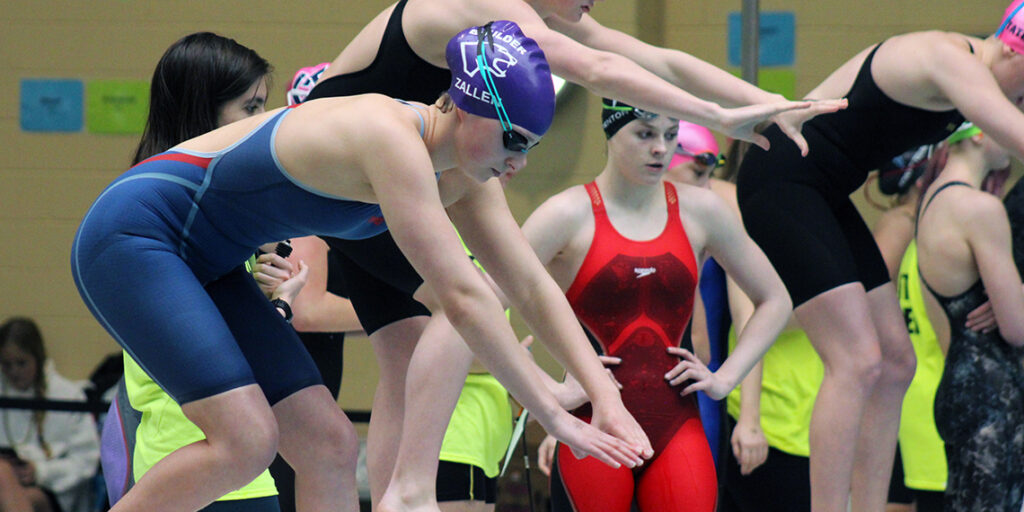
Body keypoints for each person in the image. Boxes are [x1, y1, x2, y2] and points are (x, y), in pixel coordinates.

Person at [72, 22, 653, 512]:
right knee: (246, 441)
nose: (518, 162)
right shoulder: (388, 136)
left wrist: (607, 398)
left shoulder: (463, 177)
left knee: (329, 444)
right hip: (135, 236)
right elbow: (465, 298)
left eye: (529, 146)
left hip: (209, 261)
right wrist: (553, 412)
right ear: (464, 105)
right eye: (511, 140)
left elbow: (525, 282)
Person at [303, 2, 844, 508]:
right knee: (462, 303)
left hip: (375, 177)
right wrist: (718, 116)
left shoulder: (526, 21)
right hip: (352, 169)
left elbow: (660, 58)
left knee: (405, 355)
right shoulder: (489, 8)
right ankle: (412, 489)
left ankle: (398, 495)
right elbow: (601, 68)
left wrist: (765, 107)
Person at [735, 3, 1024, 510]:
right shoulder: (950, 58)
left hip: (821, 188)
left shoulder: (976, 67)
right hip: (782, 178)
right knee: (857, 360)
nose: (1020, 103)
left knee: (894, 360)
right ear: (1012, 48)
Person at [526, 100, 790, 512]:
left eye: (670, 135)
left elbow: (775, 299)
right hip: (593, 426)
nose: (661, 149)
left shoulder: (701, 211)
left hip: (678, 428)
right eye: (645, 133)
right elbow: (479, 305)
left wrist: (725, 379)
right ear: (611, 133)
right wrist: (550, 392)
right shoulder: (566, 214)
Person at [97, 32, 296, 512]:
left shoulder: (200, 204)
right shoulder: (165, 214)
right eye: (250, 107)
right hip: (198, 462)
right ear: (204, 112)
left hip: (227, 466)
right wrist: (281, 307)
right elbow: (221, 339)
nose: (263, 121)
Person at [915, 121, 1024, 512]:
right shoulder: (981, 209)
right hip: (993, 395)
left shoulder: (931, 200)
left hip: (960, 386)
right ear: (978, 133)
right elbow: (1017, 327)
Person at [0, 317, 101, 512]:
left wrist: (39, 472)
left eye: (21, 363)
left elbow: (86, 461)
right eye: (6, 364)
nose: (14, 372)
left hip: (54, 489)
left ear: (37, 358)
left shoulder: (68, 395)